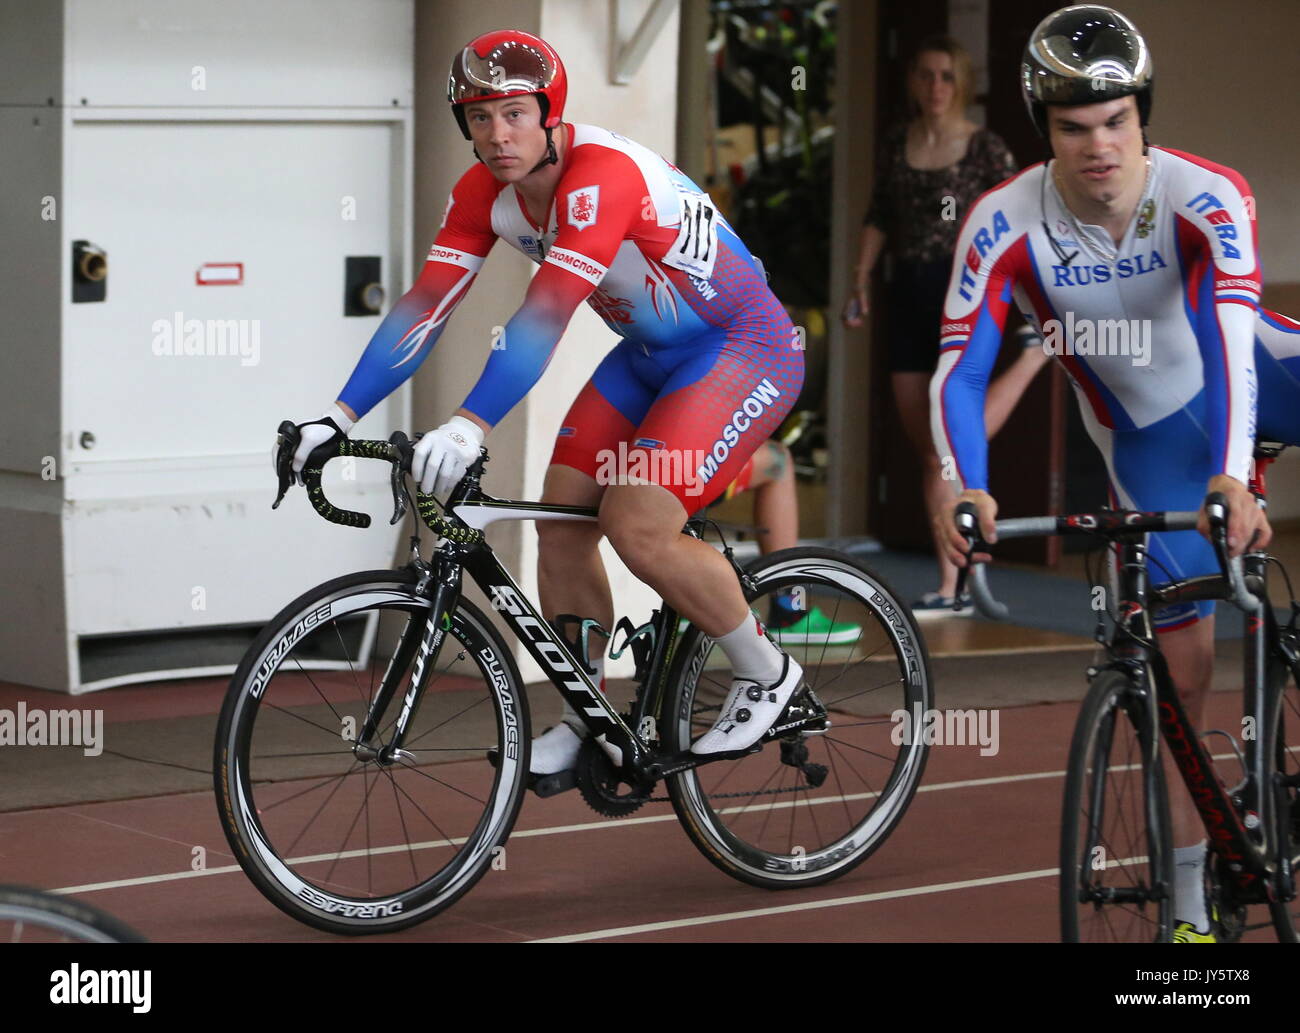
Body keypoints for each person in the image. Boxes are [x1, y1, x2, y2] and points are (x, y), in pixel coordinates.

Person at [280, 30, 806, 778]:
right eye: (480, 117)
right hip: (650, 356)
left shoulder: (603, 178)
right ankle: (589, 714)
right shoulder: (483, 195)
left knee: (636, 523)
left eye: (516, 114)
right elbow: (426, 304)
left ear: (550, 112)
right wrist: (334, 418)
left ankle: (767, 673)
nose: (498, 135)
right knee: (561, 526)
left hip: (741, 345)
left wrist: (468, 426)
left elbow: (546, 312)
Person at [931, 5, 1300, 941]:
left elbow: (1228, 343)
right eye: (1073, 128)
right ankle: (1188, 900)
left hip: (1258, 376)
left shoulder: (1204, 193)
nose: (1098, 145)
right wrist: (961, 480)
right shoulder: (1003, 220)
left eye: (1116, 121)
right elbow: (961, 370)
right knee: (1172, 686)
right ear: (1042, 129)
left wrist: (1236, 475)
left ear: (1143, 115)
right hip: (1146, 441)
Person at [844, 35, 1048, 618]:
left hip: (967, 287)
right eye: (927, 75)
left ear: (961, 86)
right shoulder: (895, 143)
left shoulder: (985, 147)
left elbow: (1018, 219)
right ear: (914, 83)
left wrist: (1033, 294)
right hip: (908, 289)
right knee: (930, 453)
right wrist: (860, 281)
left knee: (944, 440)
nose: (936, 87)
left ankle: (951, 582)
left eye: (947, 77)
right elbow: (879, 213)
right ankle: (954, 586)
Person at [713, 439, 860, 644]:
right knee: (779, 459)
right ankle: (789, 610)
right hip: (678, 466)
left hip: (660, 463)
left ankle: (687, 599)